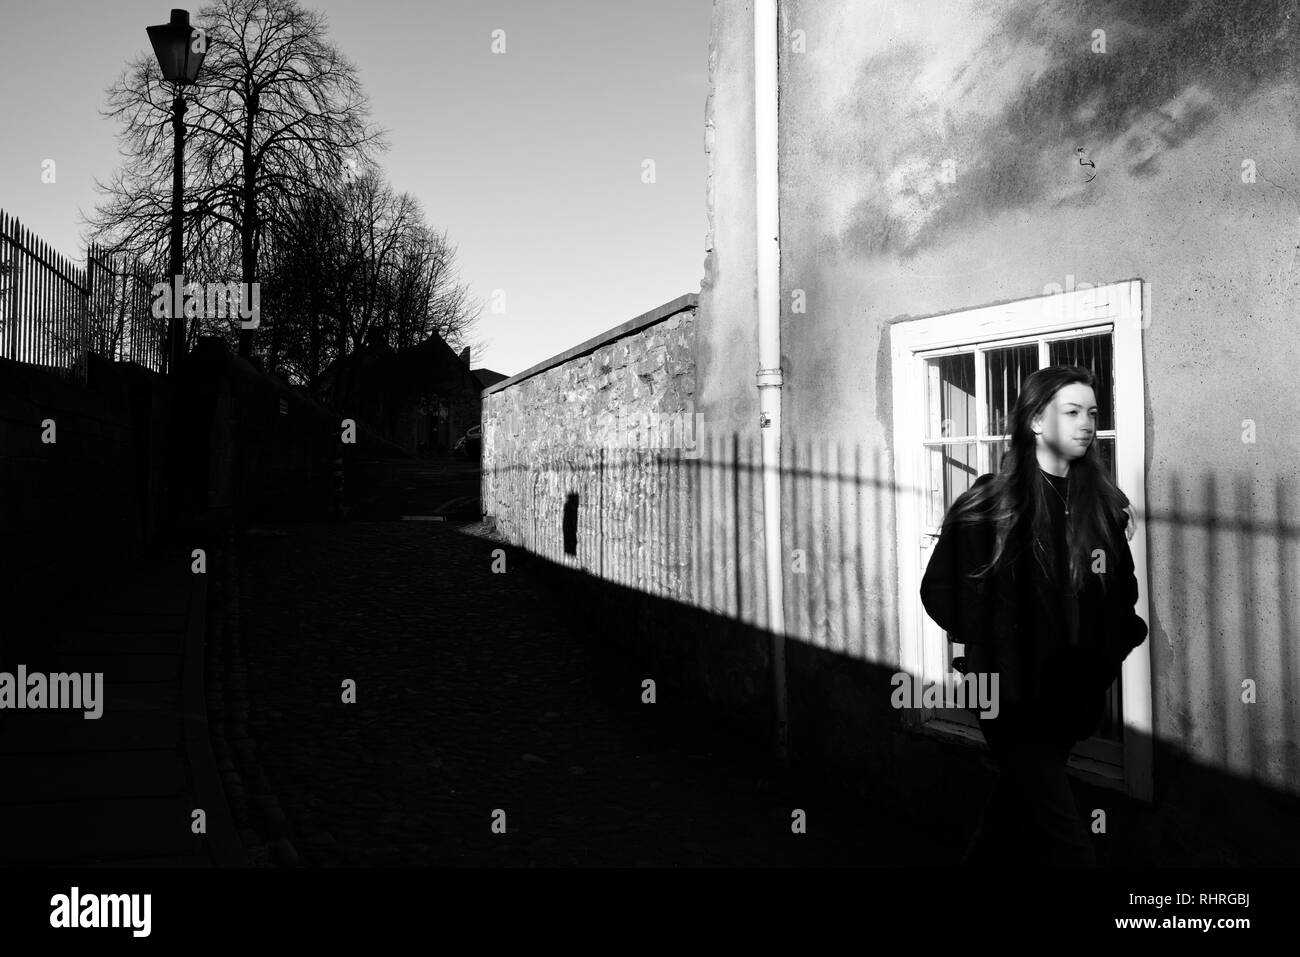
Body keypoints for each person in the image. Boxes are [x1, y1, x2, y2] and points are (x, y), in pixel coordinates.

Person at [919, 364, 1148, 867]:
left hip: (1072, 695)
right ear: (1036, 422)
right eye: (1071, 411)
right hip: (1010, 698)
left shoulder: (1104, 506)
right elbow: (941, 590)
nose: (1086, 422)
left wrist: (1110, 648)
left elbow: (1121, 596)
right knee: (1068, 843)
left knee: (1015, 810)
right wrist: (1006, 641)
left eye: (1092, 411)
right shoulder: (991, 499)